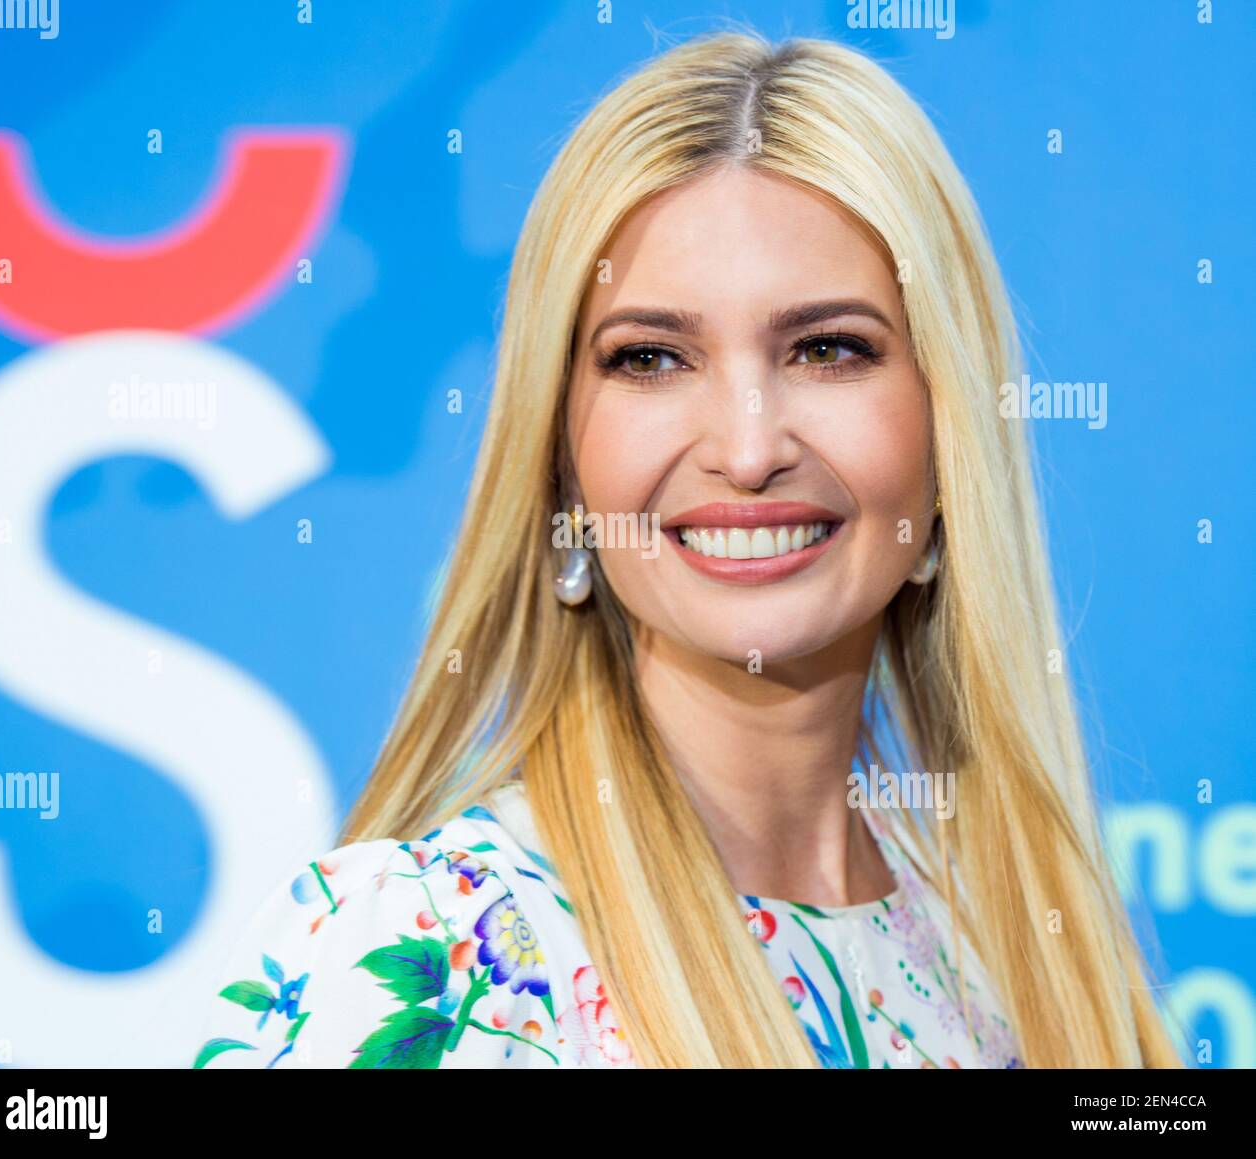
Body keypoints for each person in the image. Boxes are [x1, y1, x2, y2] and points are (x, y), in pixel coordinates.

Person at [192, 28, 1184, 1069]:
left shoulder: (1011, 952)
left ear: (950, 443)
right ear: (560, 464)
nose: (748, 452)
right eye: (652, 358)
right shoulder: (429, 952)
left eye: (828, 349)